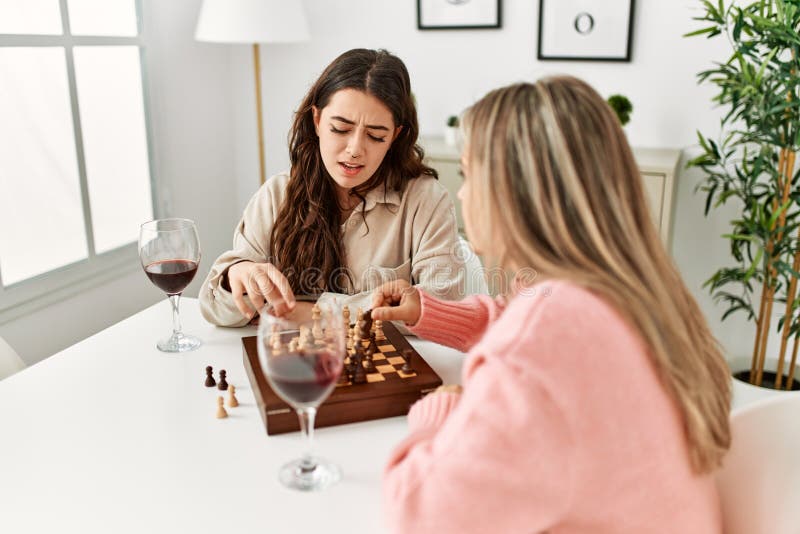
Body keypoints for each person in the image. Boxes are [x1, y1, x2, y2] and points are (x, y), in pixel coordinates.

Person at [372, 78, 732, 533]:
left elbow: (417, 513)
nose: (461, 195)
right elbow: (517, 320)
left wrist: (441, 414)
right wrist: (429, 311)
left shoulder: (543, 339)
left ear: (513, 192)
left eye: (467, 175)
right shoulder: (625, 294)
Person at [199, 49, 465, 327]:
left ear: (394, 137)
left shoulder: (426, 200)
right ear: (317, 121)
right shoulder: (276, 195)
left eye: (375, 136)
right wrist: (236, 274)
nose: (355, 150)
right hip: (291, 353)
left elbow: (442, 309)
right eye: (340, 129)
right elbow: (216, 311)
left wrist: (314, 313)